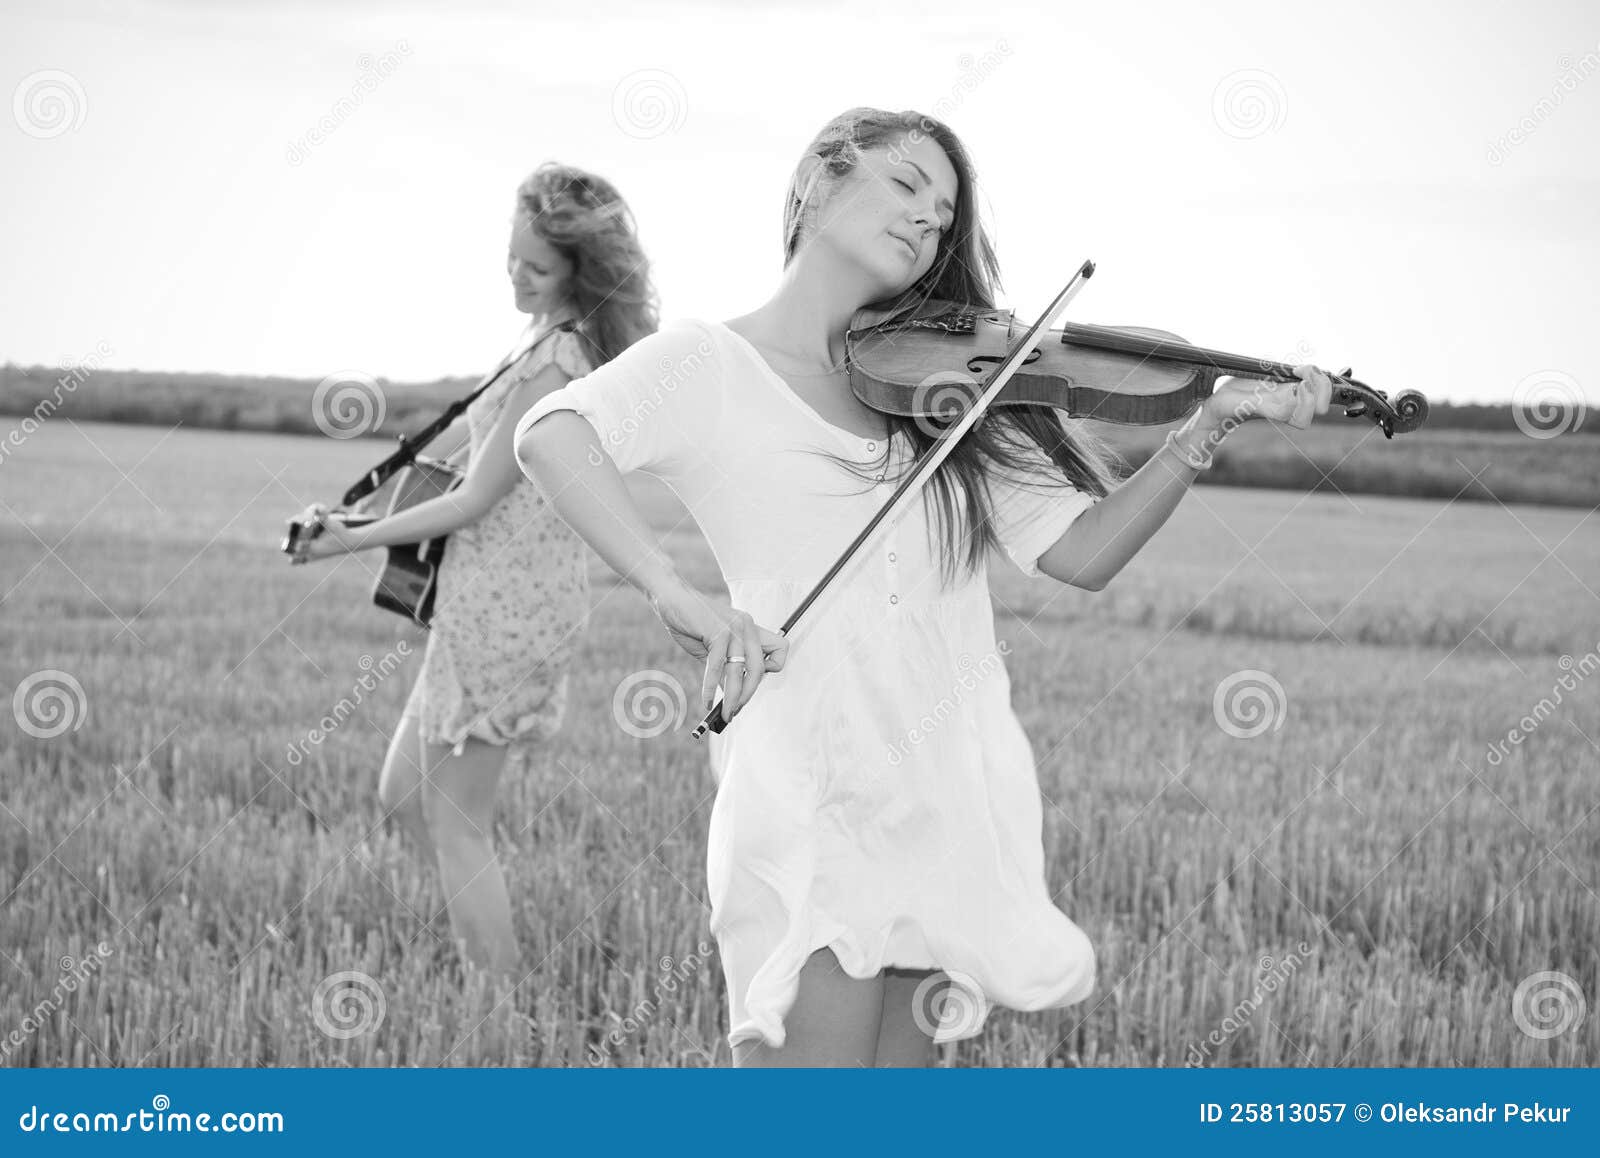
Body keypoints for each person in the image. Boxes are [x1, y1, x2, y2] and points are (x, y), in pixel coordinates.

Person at [512, 108, 1331, 1064]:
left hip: (944, 785)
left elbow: (1084, 551)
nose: (924, 222)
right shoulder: (708, 362)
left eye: (943, 216)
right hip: (810, 779)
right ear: (821, 177)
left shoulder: (954, 387)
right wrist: (669, 588)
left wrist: (1208, 425)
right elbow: (554, 435)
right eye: (905, 187)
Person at [298, 162, 658, 974]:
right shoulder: (537, 342)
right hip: (479, 600)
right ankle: (479, 945)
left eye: (536, 266)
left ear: (580, 272)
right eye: (511, 257)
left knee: (458, 820)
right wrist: (356, 519)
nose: (516, 276)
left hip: (512, 608)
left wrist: (343, 545)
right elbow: (462, 474)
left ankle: (496, 1007)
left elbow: (473, 501)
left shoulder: (560, 357)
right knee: (403, 794)